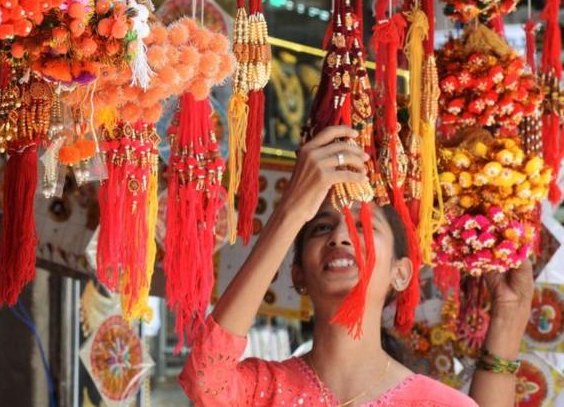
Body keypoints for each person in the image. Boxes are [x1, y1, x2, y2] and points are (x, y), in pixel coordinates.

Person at [179, 126, 533, 406]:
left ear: (401, 273)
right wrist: (292, 212)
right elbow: (205, 378)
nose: (340, 236)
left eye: (364, 225)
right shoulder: (261, 392)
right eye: (321, 227)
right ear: (298, 273)